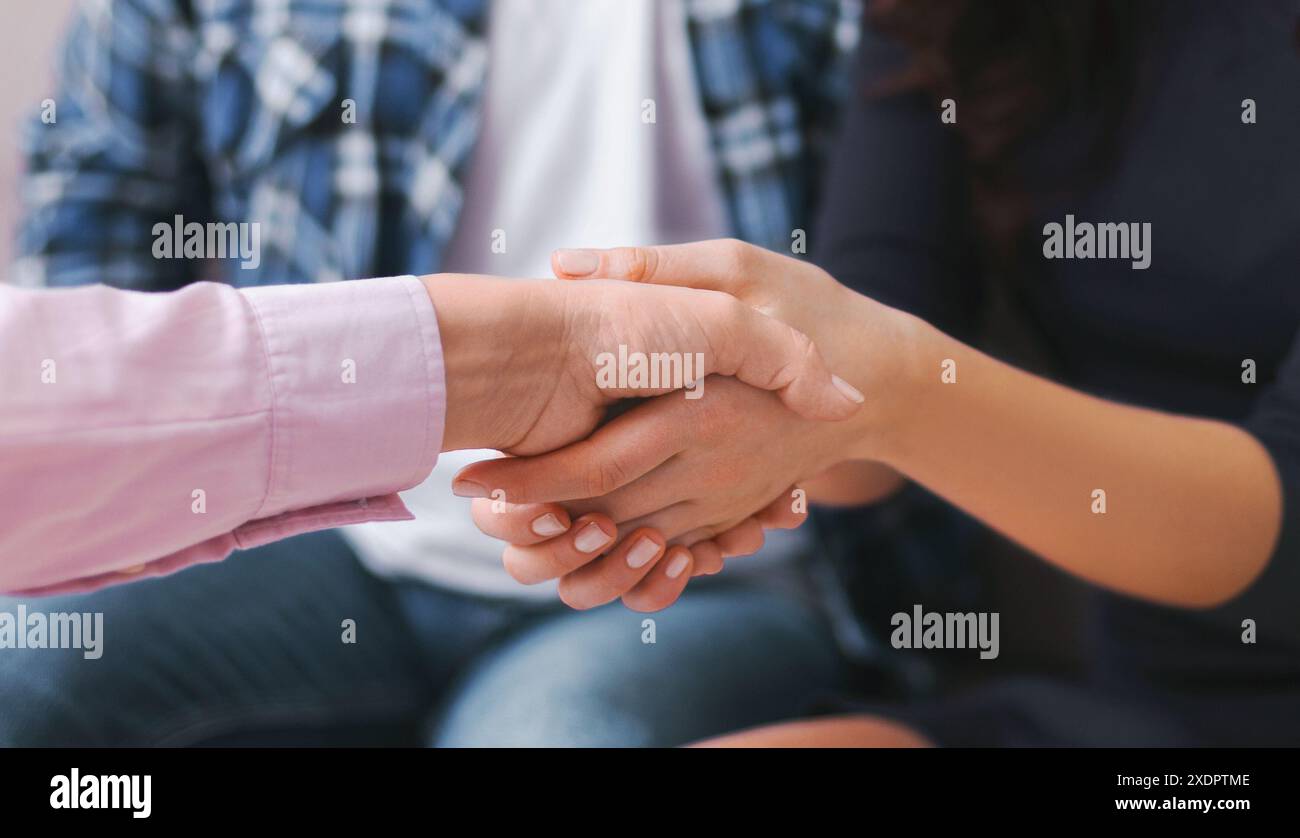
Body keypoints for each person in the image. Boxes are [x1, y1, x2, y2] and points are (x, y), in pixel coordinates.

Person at [3, 0, 863, 746]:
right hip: (331, 549)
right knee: (27, 673)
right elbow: (92, 227)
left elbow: (895, 326)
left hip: (708, 584)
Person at [472, 0, 1300, 746]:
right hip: (1139, 704)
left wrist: (897, 390)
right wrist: (673, 415)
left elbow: (1280, 540)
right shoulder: (956, 22)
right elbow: (850, 410)